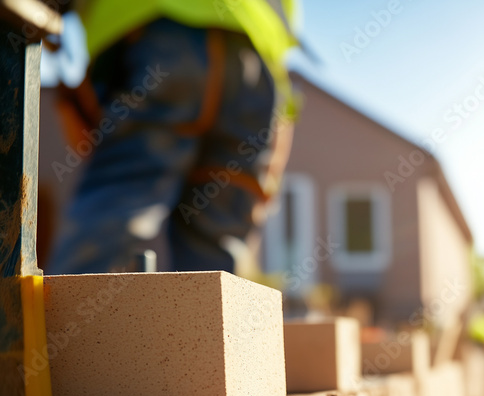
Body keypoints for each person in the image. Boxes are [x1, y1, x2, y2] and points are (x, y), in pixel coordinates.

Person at [48, 0, 297, 274]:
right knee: (217, 257)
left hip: (153, 30)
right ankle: (207, 317)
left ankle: (76, 315)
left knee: (111, 220)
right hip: (256, 63)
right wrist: (282, 121)